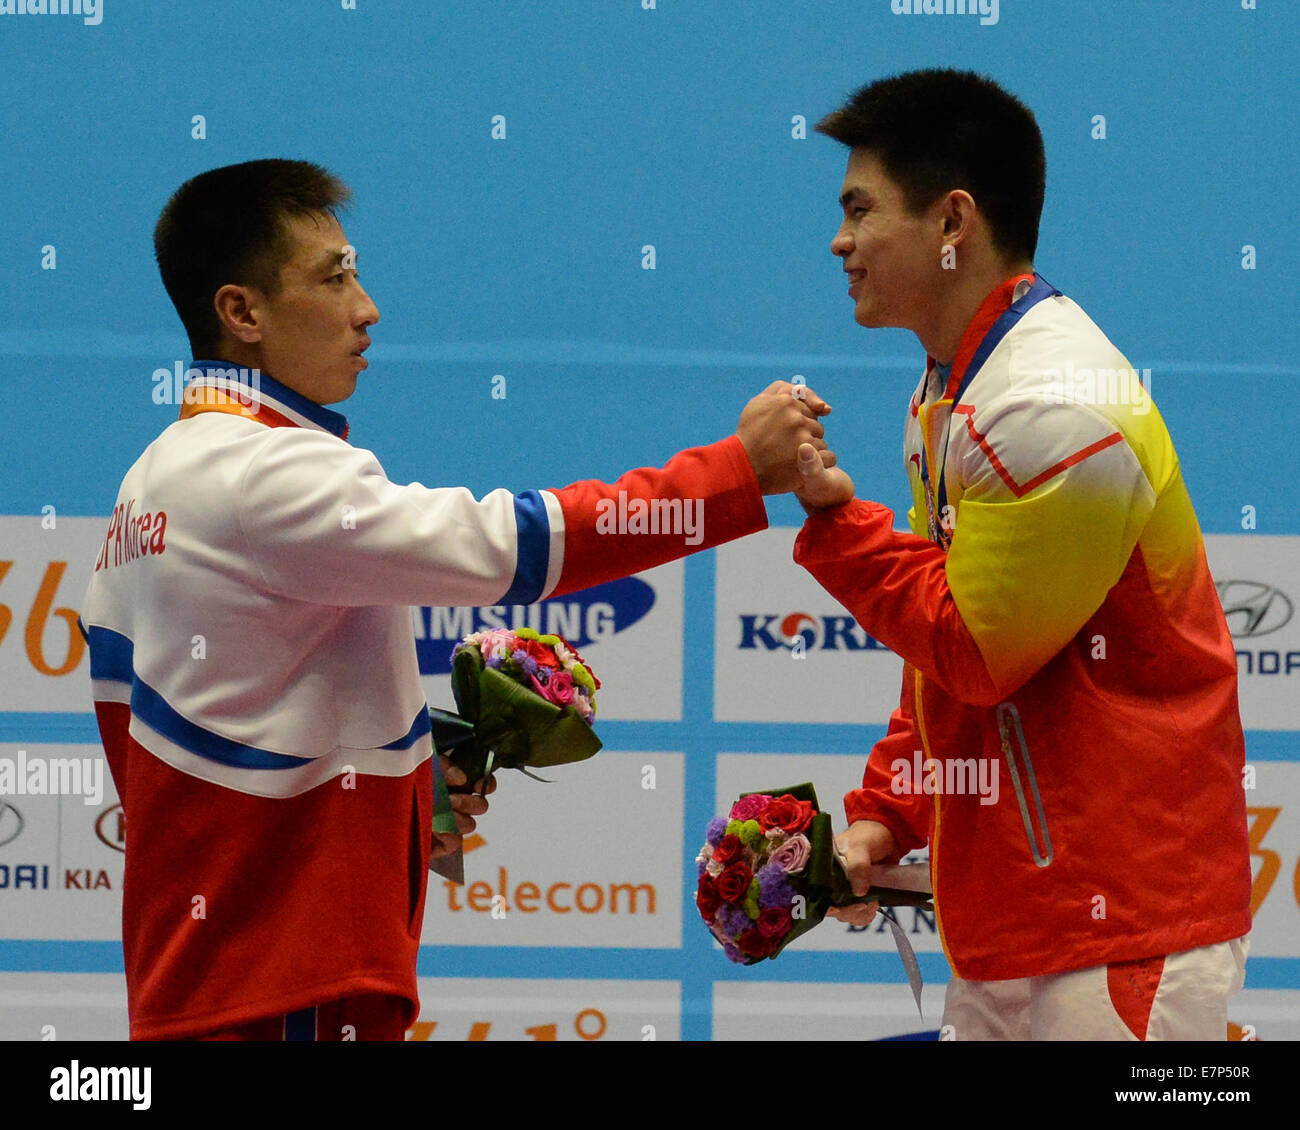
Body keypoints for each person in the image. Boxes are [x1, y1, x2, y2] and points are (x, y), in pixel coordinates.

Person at [80, 158, 839, 1041]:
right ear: (241, 312)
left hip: (214, 981)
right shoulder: (260, 471)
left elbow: (210, 734)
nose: (367, 308)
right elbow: (514, 546)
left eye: (356, 271)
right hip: (288, 980)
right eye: (334, 278)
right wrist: (737, 473)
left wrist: (407, 792)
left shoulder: (150, 483)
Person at [790, 70, 1252, 1041]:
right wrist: (889, 812)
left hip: (1119, 924)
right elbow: (946, 649)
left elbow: (975, 649)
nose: (839, 240)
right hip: (1019, 920)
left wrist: (834, 524)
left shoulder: (1051, 404)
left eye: (859, 209)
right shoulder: (956, 389)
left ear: (951, 217)